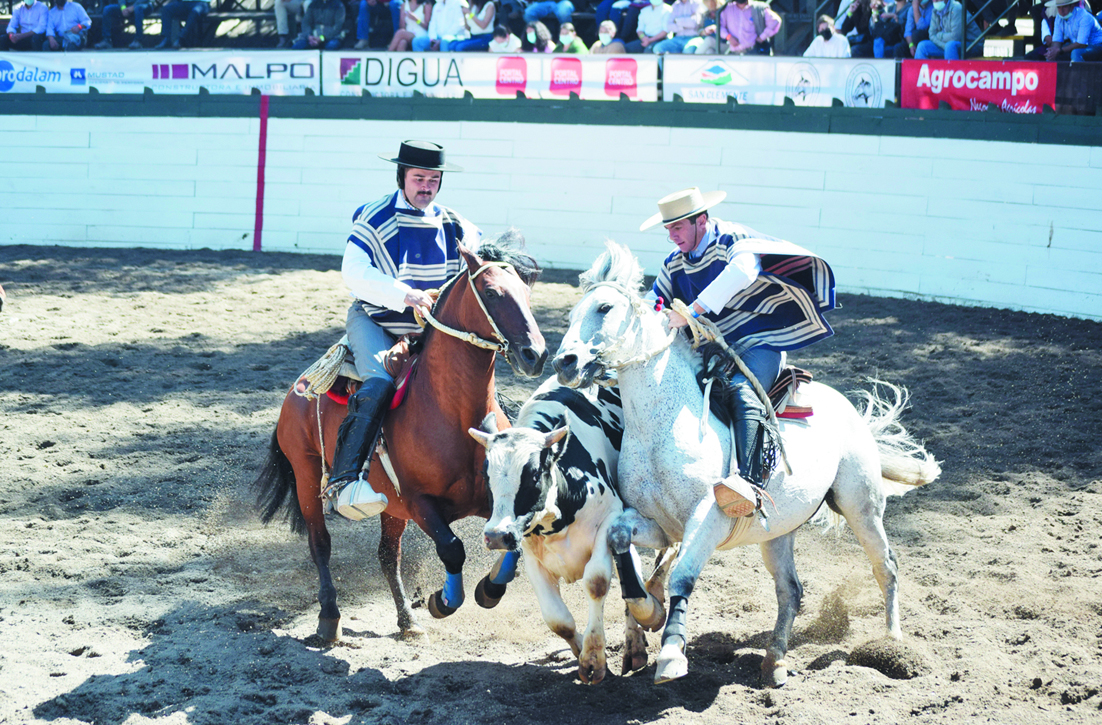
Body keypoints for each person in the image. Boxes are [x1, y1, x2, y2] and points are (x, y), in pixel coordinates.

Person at [640, 187, 836, 516]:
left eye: (678, 228)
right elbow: (655, 299)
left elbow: (743, 272)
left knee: (743, 393)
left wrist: (691, 311)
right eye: (668, 229)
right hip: (715, 347)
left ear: (701, 220)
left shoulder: (733, 239)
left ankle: (749, 483)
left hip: (760, 339)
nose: (672, 236)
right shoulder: (674, 263)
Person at [331, 140, 480, 520]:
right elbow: (354, 273)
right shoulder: (376, 216)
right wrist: (407, 295)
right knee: (379, 381)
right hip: (376, 320)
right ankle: (346, 479)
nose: (426, 186)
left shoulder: (456, 224)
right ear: (402, 177)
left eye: (433, 179)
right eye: (419, 178)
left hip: (430, 329)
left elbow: (480, 264)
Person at [914, 0, 983, 59]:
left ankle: (952, 74)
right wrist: (943, 46)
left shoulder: (956, 8)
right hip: (947, 45)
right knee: (922, 46)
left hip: (972, 45)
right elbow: (931, 35)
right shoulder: (935, 10)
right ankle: (918, 74)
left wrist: (939, 35)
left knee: (950, 46)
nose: (935, 1)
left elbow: (956, 37)